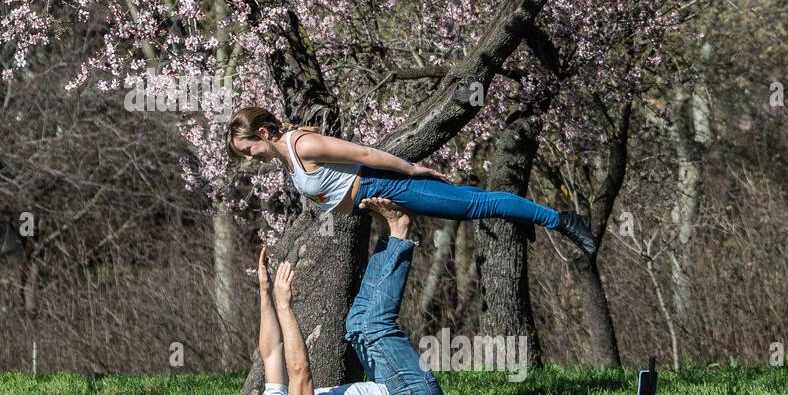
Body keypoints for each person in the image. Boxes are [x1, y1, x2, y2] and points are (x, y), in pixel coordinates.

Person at [216, 198, 447, 395]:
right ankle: (400, 228)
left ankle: (393, 233)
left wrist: (265, 292)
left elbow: (271, 352)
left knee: (356, 325)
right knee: (373, 326)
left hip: (395, 390)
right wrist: (284, 305)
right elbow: (300, 372)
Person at [225, 105, 598, 256]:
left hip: (388, 186)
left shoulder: (303, 145)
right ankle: (522, 215)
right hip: (375, 200)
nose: (249, 158)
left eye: (247, 149)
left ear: (262, 132)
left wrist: (410, 169)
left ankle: (563, 220)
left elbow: (365, 155)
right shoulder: (287, 159)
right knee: (470, 204)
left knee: (474, 205)